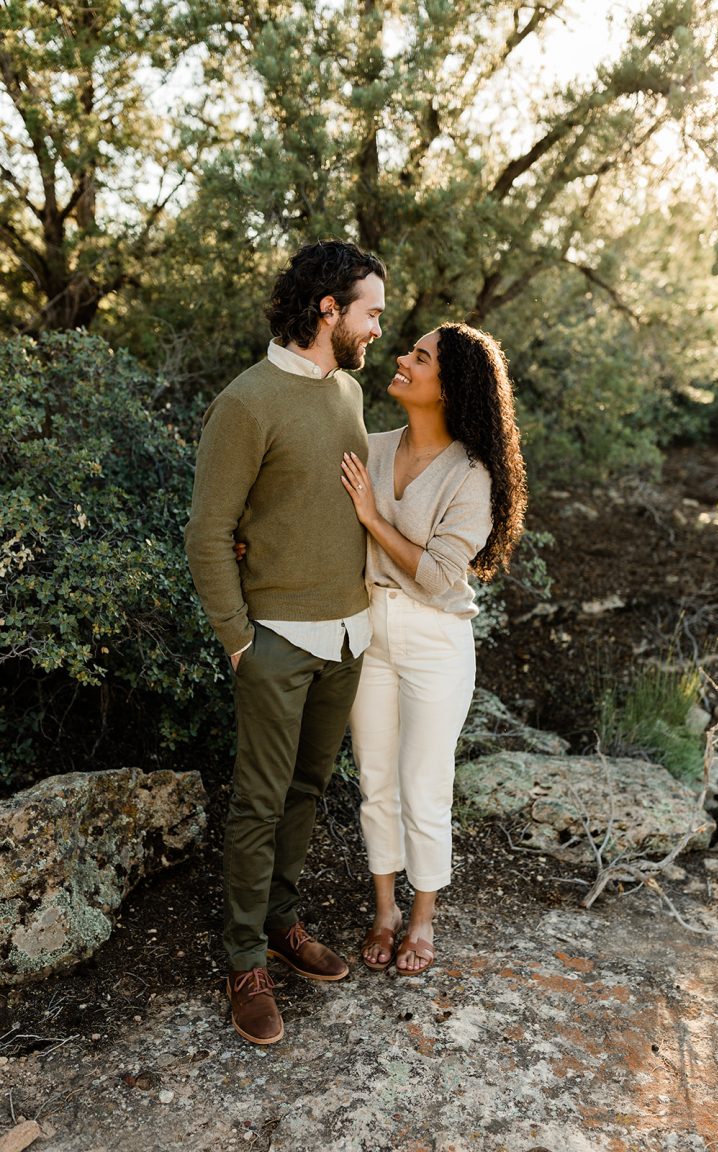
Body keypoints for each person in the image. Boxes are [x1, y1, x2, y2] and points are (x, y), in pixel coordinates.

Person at [185, 240, 386, 1045]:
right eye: (371, 312)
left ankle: (281, 922)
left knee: (306, 790)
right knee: (259, 801)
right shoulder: (246, 401)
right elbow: (208, 533)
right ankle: (243, 960)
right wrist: (240, 641)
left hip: (348, 635)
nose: (379, 328)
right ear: (329, 310)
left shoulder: (348, 391)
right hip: (276, 641)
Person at [340, 322, 526, 975]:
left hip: (434, 642)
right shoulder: (371, 447)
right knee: (375, 781)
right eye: (410, 351)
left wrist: (372, 517)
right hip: (370, 630)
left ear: (450, 388)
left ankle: (422, 920)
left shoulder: (471, 476)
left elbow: (441, 575)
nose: (402, 359)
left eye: (420, 358)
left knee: (423, 784)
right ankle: (384, 912)